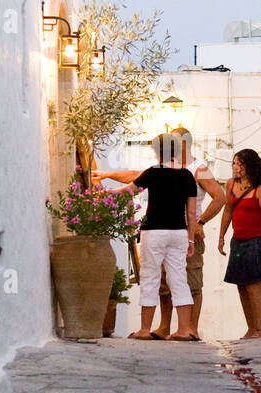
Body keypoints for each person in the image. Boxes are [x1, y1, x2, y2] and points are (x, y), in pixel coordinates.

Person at [95, 128, 226, 340]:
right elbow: (190, 212)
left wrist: (106, 193)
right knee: (178, 280)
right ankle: (179, 329)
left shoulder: (191, 170)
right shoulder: (186, 176)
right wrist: (191, 236)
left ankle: (150, 329)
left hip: (155, 231)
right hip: (181, 232)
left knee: (152, 278)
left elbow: (131, 188)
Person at [218, 148, 261, 339]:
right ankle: (250, 327)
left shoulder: (260, 190)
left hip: (256, 243)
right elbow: (228, 211)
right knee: (241, 285)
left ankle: (257, 329)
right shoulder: (230, 185)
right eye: (234, 164)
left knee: (254, 286)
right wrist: (221, 236)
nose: (236, 168)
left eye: (240, 165)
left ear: (249, 166)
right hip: (238, 242)